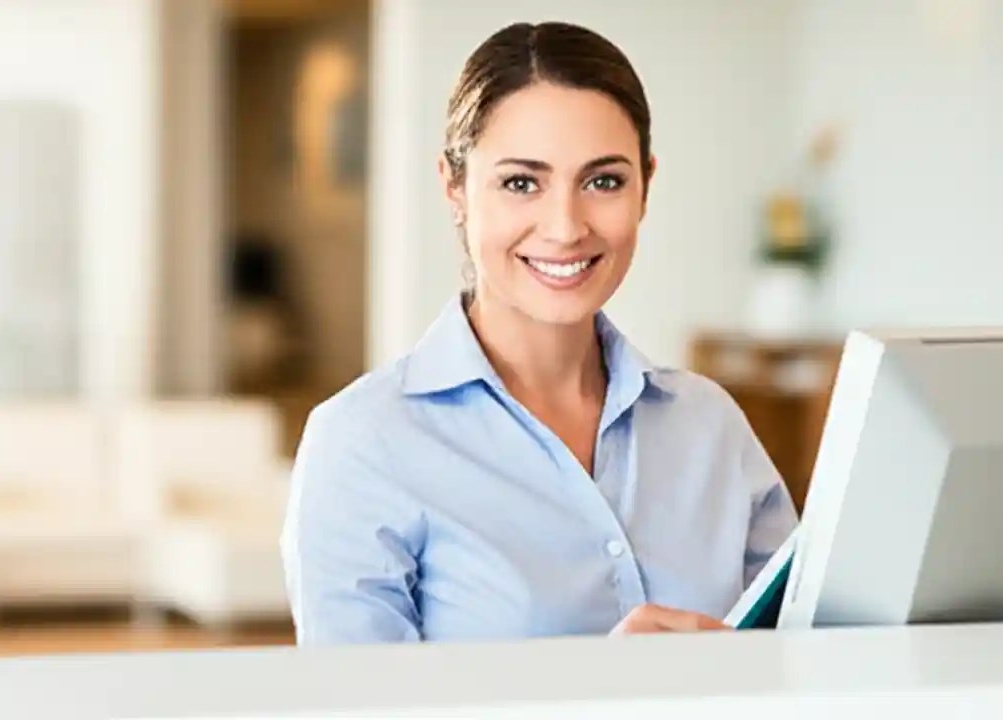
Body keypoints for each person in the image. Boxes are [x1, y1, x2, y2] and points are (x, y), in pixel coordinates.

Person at [280, 21, 797, 644]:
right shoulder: (363, 443)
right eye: (521, 183)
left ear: (645, 187)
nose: (565, 226)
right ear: (455, 187)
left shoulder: (710, 427)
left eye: (603, 181)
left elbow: (805, 667)